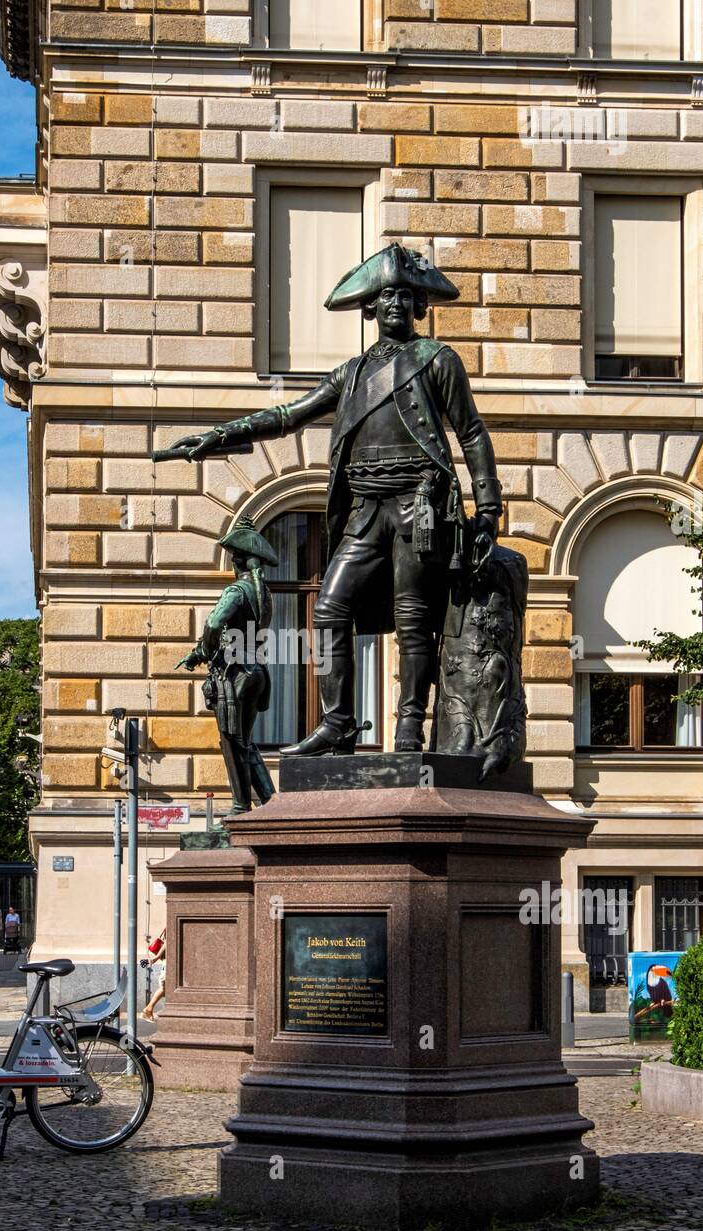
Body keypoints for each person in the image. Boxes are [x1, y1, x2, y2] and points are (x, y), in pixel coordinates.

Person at [160, 243, 502, 758]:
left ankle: (410, 723)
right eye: (386, 296)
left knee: (414, 619)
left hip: (418, 505)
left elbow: (471, 432)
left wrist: (489, 507)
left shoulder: (437, 360)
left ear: (418, 307)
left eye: (405, 296)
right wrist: (219, 435)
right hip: (365, 511)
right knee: (328, 610)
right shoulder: (351, 374)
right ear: (371, 307)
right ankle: (338, 722)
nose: (395, 305)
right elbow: (287, 416)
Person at [175, 517, 278, 815]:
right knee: (246, 742)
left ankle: (239, 808)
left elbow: (214, 622)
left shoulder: (236, 591)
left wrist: (200, 652)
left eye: (234, 560)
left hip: (236, 676)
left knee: (232, 743)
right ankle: (271, 802)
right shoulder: (264, 593)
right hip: (258, 672)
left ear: (239, 563)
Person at [141, 926, 166, 1022]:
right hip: (168, 962)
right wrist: (156, 957)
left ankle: (149, 1009)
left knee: (165, 988)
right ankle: (148, 1009)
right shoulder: (173, 924)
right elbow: (167, 942)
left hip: (168, 962)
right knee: (165, 988)